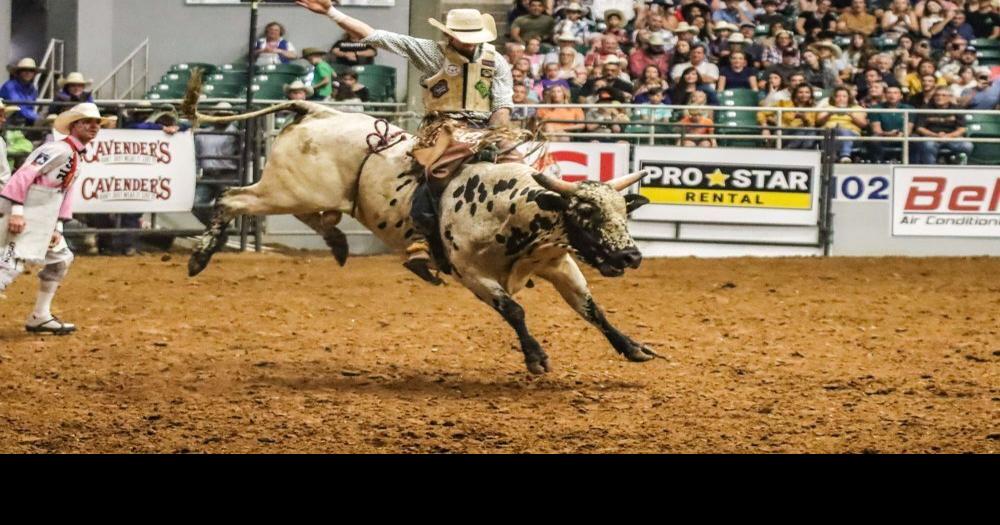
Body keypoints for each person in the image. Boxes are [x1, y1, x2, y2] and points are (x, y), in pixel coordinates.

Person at [297, 0, 516, 286]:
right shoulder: (430, 52)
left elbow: (501, 103)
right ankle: (421, 239)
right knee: (436, 173)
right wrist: (331, 12)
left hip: (485, 126)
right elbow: (376, 36)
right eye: (463, 37)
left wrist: (499, 135)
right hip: (445, 126)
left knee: (519, 168)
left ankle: (517, 240)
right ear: (450, 35)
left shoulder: (495, 60)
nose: (468, 42)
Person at [0, 103, 108, 333]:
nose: (94, 126)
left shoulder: (74, 155)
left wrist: (57, 225)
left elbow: (63, 193)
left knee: (60, 259)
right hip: (26, 215)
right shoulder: (57, 150)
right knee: (9, 265)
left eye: (97, 122)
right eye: (87, 122)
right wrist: (17, 211)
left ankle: (40, 315)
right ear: (74, 125)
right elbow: (24, 175)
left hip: (43, 219)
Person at [193, 102, 241, 228]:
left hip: (228, 175)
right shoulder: (201, 134)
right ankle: (216, 228)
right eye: (220, 114)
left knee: (224, 208)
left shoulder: (236, 134)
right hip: (208, 175)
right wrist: (197, 173)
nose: (223, 117)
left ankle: (217, 230)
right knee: (196, 204)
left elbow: (244, 151)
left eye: (226, 115)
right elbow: (196, 156)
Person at [911, 87, 973, 164]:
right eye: (937, 95)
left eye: (943, 95)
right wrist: (935, 135)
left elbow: (962, 129)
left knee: (967, 146)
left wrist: (949, 136)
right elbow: (920, 128)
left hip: (952, 137)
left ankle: (956, 164)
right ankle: (930, 169)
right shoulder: (925, 108)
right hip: (931, 137)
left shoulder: (957, 109)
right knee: (927, 145)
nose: (940, 97)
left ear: (950, 97)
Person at [816, 86, 868, 162]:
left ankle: (845, 155)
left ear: (849, 98)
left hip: (852, 135)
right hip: (829, 133)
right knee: (831, 132)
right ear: (834, 98)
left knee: (843, 131)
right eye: (838, 96)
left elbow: (863, 124)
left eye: (844, 96)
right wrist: (829, 114)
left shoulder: (856, 108)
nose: (841, 98)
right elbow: (818, 121)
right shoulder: (827, 107)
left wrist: (850, 114)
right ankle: (832, 156)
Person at [869, 85, 913, 163]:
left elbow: (908, 129)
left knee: (915, 139)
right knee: (874, 139)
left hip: (902, 138)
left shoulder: (909, 108)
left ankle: (912, 165)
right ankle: (878, 164)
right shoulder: (875, 108)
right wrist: (888, 134)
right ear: (885, 95)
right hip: (884, 137)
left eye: (895, 93)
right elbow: (876, 130)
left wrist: (901, 134)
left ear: (901, 96)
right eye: (889, 93)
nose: (892, 95)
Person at [0, 58, 41, 125]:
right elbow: (19, 107)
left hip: (24, 123)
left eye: (31, 70)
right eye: (24, 70)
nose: (28, 72)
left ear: (34, 74)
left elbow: (30, 108)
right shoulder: (10, 86)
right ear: (18, 72)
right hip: (6, 123)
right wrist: (38, 118)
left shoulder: (32, 89)